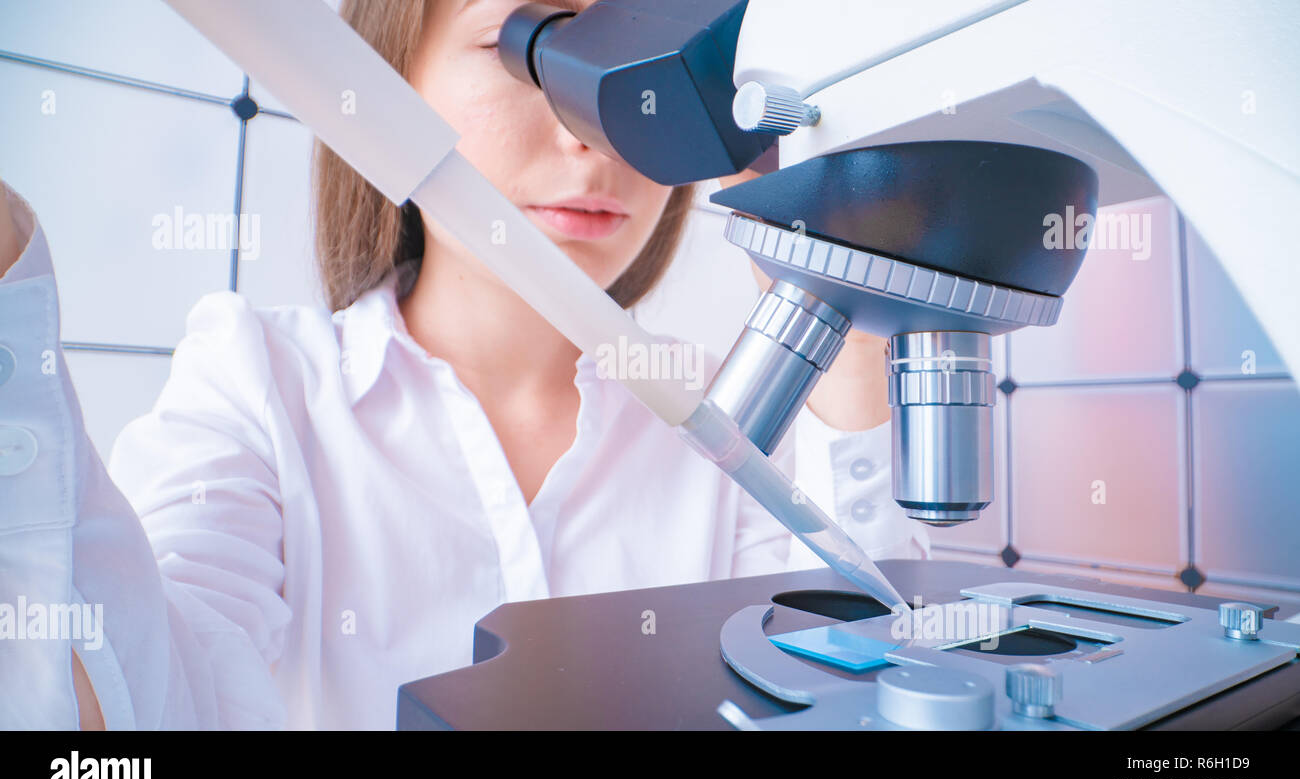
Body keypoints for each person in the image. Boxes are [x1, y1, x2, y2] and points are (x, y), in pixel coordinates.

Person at [0, 0, 927, 730]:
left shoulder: (728, 428)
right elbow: (146, 714)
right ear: (382, 80)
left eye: (642, 69)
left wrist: (844, 316)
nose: (595, 134)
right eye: (539, 47)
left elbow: (858, 687)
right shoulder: (261, 383)